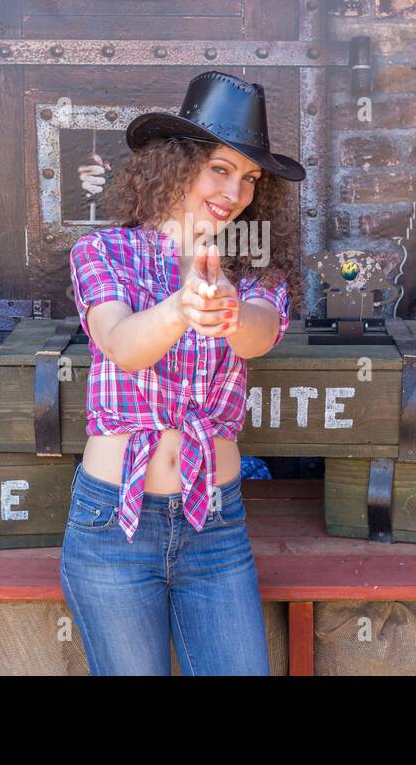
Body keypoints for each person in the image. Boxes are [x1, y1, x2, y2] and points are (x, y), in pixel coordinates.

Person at [61, 69, 305, 675]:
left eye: (250, 177)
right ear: (175, 164)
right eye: (220, 168)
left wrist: (222, 306)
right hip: (113, 524)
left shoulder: (256, 270)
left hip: (215, 527)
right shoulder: (102, 252)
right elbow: (121, 342)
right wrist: (179, 306)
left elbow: (259, 334)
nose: (237, 190)